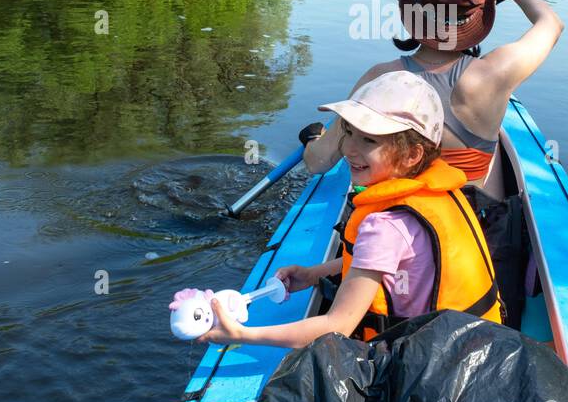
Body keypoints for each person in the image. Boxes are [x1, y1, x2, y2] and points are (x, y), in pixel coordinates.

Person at [195, 71, 502, 348]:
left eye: (368, 139)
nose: (350, 149)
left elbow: (337, 326)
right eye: (349, 132)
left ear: (412, 154)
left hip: (434, 365)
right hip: (478, 342)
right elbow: (391, 263)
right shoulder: (436, 190)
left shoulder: (384, 226)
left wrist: (241, 335)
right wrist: (315, 273)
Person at [301, 0, 564, 188]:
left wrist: (313, 139)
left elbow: (318, 162)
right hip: (468, 221)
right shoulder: (495, 74)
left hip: (398, 220)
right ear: (480, 14)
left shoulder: (381, 79)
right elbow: (551, 24)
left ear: (411, 12)